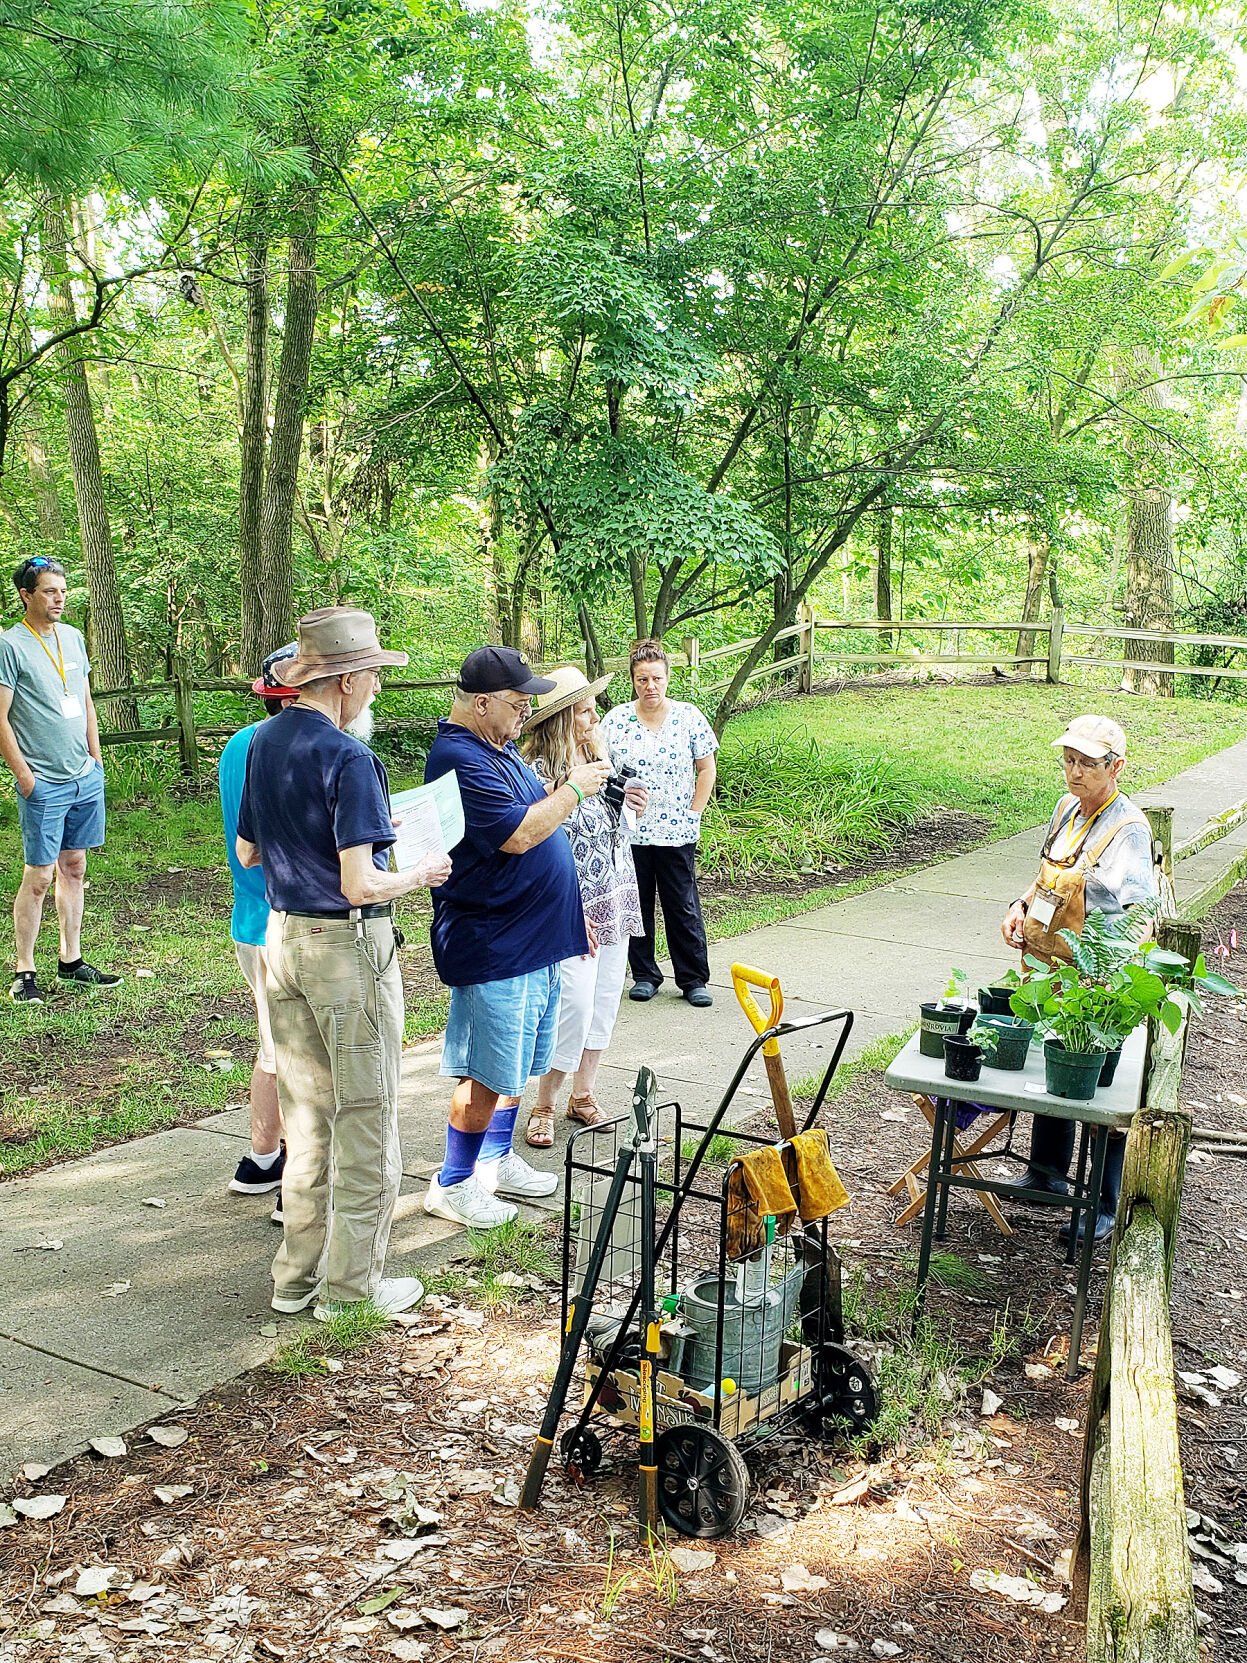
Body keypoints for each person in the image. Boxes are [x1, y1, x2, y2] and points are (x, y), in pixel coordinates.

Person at [236, 608, 452, 1322]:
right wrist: (420, 871)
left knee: (309, 1118)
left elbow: (247, 851)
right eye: (375, 679)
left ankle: (294, 1279)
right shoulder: (350, 757)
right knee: (366, 1114)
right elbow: (362, 882)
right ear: (348, 679)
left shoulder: (263, 740)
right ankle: (354, 1289)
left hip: (281, 940)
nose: (377, 692)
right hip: (345, 946)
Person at [423, 646, 610, 1228]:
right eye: (517, 702)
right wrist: (576, 788)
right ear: (481, 703)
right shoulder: (459, 761)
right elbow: (520, 835)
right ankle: (453, 1182)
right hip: (494, 942)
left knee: (518, 1066)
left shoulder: (497, 749)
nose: (526, 712)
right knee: (485, 1071)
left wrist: (571, 916)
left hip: (536, 937)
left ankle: (497, 1160)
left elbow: (541, 823)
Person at [998, 714, 1157, 1243]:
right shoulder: (1066, 809)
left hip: (1102, 978)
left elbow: (1140, 915)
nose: (1074, 772)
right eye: (1069, 761)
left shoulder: (1129, 830)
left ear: (1116, 767)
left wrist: (1112, 983)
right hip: (1055, 963)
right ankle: (1047, 1170)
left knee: (1100, 1087)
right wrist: (1020, 906)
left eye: (1087, 763)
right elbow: (1048, 874)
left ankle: (1105, 1203)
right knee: (1054, 1063)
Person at [519, 666, 648, 1148]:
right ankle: (545, 1104)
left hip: (615, 893)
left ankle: (584, 1094)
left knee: (604, 1001)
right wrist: (570, 911)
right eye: (586, 710)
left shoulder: (601, 760)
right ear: (563, 720)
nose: (596, 718)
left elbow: (615, 831)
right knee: (571, 1005)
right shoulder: (539, 775)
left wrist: (633, 803)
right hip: (572, 907)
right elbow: (537, 844)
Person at [0, 556, 120, 1003]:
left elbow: (85, 700)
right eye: (49, 591)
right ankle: (24, 970)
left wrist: (96, 757)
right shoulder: (10, 645)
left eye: (62, 591)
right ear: (26, 595)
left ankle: (71, 960)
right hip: (43, 781)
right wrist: (25, 777)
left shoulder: (73, 637)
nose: (59, 598)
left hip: (83, 776)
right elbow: (1, 719)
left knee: (74, 867)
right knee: (39, 874)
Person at [217, 644, 299, 1220]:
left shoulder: (240, 743)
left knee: (273, 1043)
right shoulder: (282, 749)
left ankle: (261, 1157)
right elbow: (263, 846)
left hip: (251, 918)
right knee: (297, 1052)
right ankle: (296, 1180)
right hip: (281, 915)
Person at [600, 638, 718, 1008]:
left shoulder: (688, 717)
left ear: (667, 678)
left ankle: (693, 977)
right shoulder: (617, 720)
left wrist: (694, 811)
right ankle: (645, 974)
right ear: (633, 681)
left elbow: (706, 768)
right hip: (630, 831)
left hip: (676, 831)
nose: (650, 687)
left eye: (656, 679)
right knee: (637, 903)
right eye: (642, 679)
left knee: (681, 904)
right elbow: (601, 768)